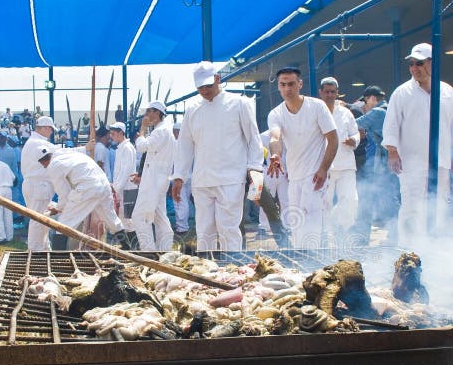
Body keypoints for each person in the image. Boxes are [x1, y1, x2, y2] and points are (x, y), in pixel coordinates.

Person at [382, 42, 453, 249]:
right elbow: (391, 124)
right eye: (411, 64)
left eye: (419, 63)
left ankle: (434, 250)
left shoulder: (447, 91)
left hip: (442, 162)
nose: (414, 68)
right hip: (411, 163)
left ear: (432, 63)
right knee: (411, 208)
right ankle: (408, 252)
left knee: (438, 207)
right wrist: (392, 152)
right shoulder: (401, 93)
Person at [173, 61, 264, 251]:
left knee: (228, 229)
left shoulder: (240, 104)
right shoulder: (192, 109)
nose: (204, 91)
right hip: (202, 180)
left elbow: (254, 141)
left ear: (218, 79)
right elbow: (184, 145)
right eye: (200, 87)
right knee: (204, 231)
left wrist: (256, 180)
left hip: (231, 179)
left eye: (208, 85)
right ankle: (206, 274)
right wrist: (179, 177)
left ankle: (232, 271)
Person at [267, 67, 337, 249]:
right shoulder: (275, 113)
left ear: (300, 84)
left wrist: (323, 169)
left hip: (315, 175)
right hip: (294, 177)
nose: (287, 88)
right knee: (297, 223)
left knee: (312, 224)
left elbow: (333, 139)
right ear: (279, 87)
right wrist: (275, 155)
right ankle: (304, 264)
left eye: (291, 84)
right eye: (283, 85)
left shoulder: (317, 106)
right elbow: (275, 137)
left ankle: (314, 262)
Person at [36, 147, 132, 250]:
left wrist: (58, 208)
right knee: (112, 219)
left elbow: (63, 193)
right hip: (103, 184)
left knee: (63, 225)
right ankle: (127, 247)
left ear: (42, 162)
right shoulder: (68, 154)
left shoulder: (53, 165)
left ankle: (58, 260)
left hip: (87, 188)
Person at [317, 77, 359, 241]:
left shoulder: (346, 113)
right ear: (321, 92)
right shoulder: (316, 110)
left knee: (350, 200)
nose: (329, 95)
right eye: (326, 92)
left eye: (332, 92)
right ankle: (326, 237)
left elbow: (355, 132)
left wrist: (354, 140)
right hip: (324, 166)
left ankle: (343, 231)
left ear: (337, 93)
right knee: (324, 204)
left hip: (346, 163)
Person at [355, 85, 398, 244]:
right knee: (392, 197)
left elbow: (352, 124)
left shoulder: (377, 112)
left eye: (365, 102)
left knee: (379, 197)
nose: (365, 106)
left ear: (372, 98)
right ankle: (395, 234)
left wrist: (346, 108)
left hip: (386, 162)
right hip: (394, 160)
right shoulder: (390, 109)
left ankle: (362, 237)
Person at [132, 101, 175, 251]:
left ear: (157, 112)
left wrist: (142, 130)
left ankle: (149, 251)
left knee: (139, 217)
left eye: (148, 111)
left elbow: (142, 147)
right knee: (159, 217)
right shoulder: (164, 130)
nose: (146, 115)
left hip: (154, 182)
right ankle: (165, 250)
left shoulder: (160, 131)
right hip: (158, 180)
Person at [21, 115, 58, 251]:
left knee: (41, 220)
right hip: (38, 185)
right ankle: (35, 251)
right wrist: (84, 149)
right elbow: (59, 153)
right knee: (38, 220)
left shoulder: (34, 142)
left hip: (36, 185)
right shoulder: (38, 143)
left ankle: (43, 249)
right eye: (50, 129)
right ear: (45, 128)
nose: (51, 132)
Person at [108, 122, 137, 233]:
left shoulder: (127, 148)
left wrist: (116, 188)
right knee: (122, 217)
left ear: (121, 133)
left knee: (128, 219)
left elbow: (126, 171)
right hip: (121, 188)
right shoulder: (121, 148)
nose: (111, 136)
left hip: (127, 189)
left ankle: (133, 246)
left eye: (113, 134)